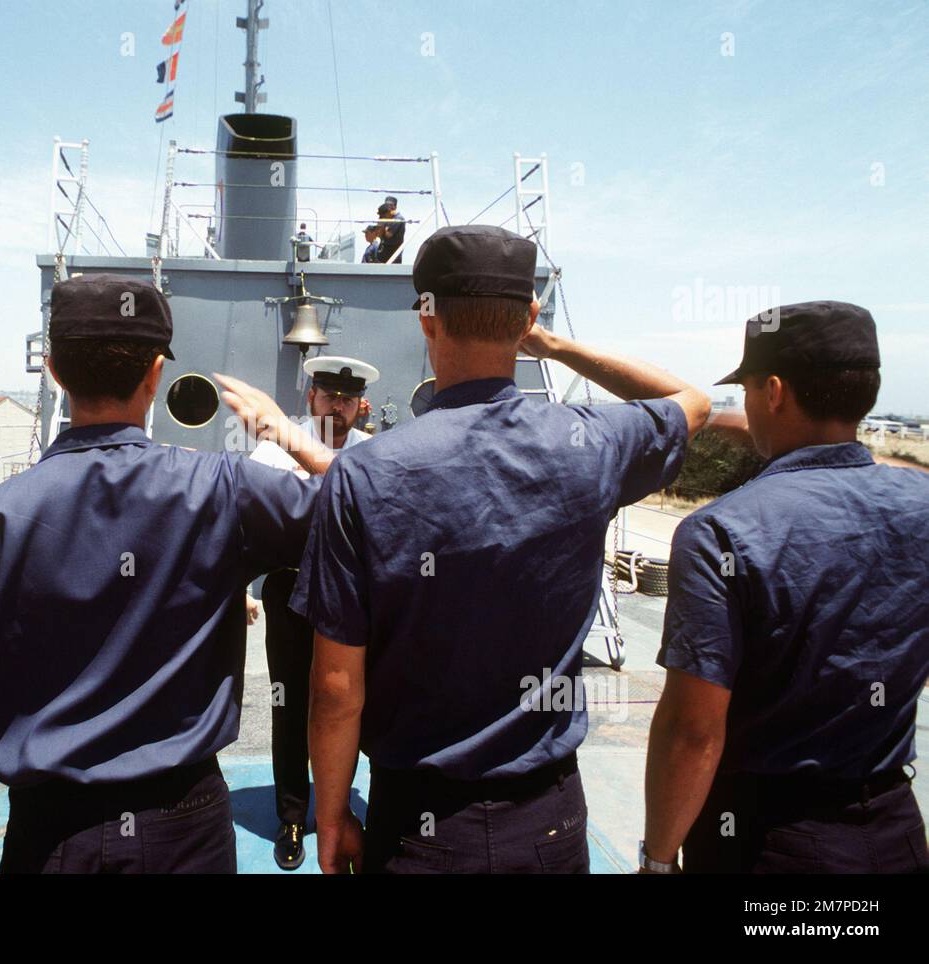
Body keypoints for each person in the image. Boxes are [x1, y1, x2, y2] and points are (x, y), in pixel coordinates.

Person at [292, 225, 710, 873]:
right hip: (550, 821)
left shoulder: (365, 475)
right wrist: (553, 345)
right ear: (529, 317)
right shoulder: (592, 444)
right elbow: (692, 402)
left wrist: (331, 816)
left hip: (416, 825)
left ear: (427, 320)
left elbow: (336, 687)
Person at [0, 274, 336, 874]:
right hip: (185, 828)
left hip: (50, 836)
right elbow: (370, 511)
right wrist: (288, 435)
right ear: (155, 374)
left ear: (56, 373)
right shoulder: (223, 491)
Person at [642, 302, 929, 874]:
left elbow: (693, 732)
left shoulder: (720, 531)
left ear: (772, 391)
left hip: (768, 841)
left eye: (747, 390)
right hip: (894, 831)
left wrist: (658, 856)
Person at [261, 354, 379, 869]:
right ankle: (292, 816)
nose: (337, 405)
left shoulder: (375, 454)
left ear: (361, 405)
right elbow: (249, 530)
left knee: (349, 703)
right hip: (289, 594)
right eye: (328, 395)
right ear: (311, 397)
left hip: (350, 597)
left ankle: (341, 805)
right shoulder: (270, 453)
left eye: (347, 399)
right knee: (290, 705)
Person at [377, 197, 406, 263]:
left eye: (390, 205)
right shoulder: (386, 217)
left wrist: (383, 225)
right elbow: (378, 235)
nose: (388, 207)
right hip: (384, 250)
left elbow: (388, 235)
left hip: (394, 252)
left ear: (395, 207)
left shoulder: (398, 218)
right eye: (386, 205)